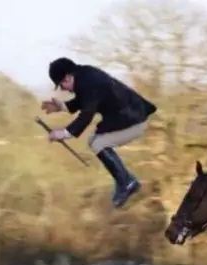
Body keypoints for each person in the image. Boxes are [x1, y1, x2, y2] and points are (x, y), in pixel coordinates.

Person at [41, 57, 157, 208]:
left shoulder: (89, 82)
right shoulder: (86, 76)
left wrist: (63, 133)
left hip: (133, 120)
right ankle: (126, 180)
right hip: (129, 117)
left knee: (98, 142)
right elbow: (85, 101)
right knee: (94, 141)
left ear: (68, 76)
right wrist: (61, 106)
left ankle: (127, 182)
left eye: (61, 84)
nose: (63, 89)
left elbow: (87, 113)